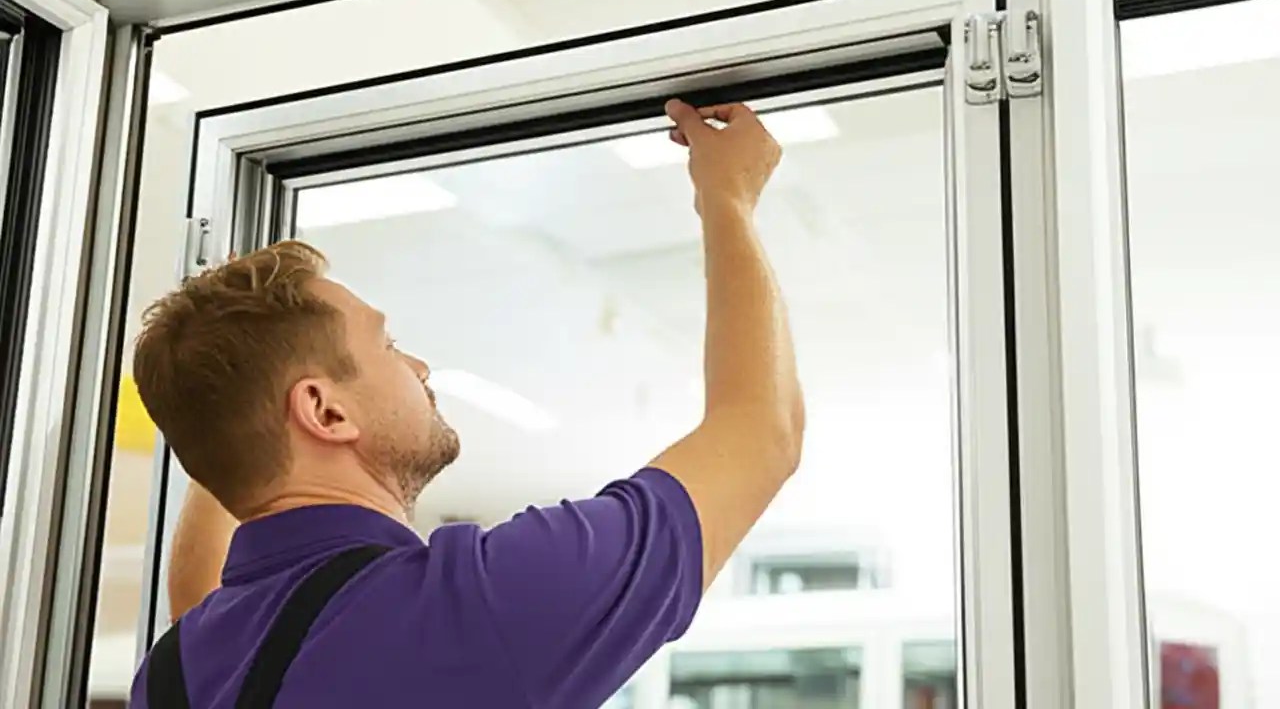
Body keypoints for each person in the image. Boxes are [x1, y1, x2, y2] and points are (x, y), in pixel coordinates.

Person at [128, 99, 804, 708]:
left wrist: (225, 398)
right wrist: (730, 198)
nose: (419, 366)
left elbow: (205, 600)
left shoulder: (177, 675)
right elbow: (760, 434)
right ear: (326, 413)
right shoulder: (477, 606)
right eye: (387, 344)